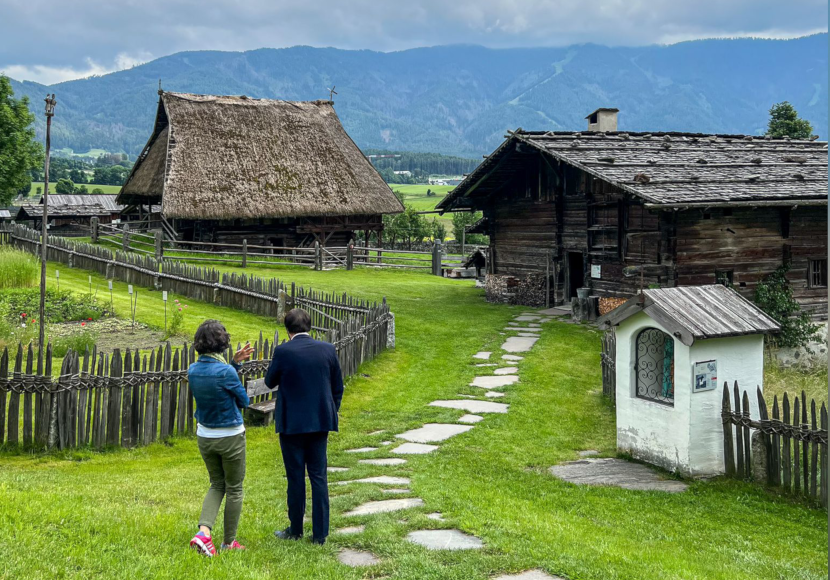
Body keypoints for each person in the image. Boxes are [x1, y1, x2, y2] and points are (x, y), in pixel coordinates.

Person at [265, 308, 344, 546]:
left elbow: (269, 382)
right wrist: (330, 411)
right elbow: (337, 387)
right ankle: (320, 534)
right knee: (319, 476)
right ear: (310, 326)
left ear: (287, 329)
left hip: (292, 423)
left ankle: (296, 529)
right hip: (320, 421)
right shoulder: (327, 349)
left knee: (295, 476)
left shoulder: (283, 351)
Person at [187, 320, 254, 557]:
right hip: (230, 436)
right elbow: (244, 401)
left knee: (217, 484)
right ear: (222, 343)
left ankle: (203, 533)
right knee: (234, 488)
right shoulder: (225, 372)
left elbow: (217, 382)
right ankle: (228, 542)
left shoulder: (193, 369)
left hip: (205, 436)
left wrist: (235, 363)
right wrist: (233, 367)